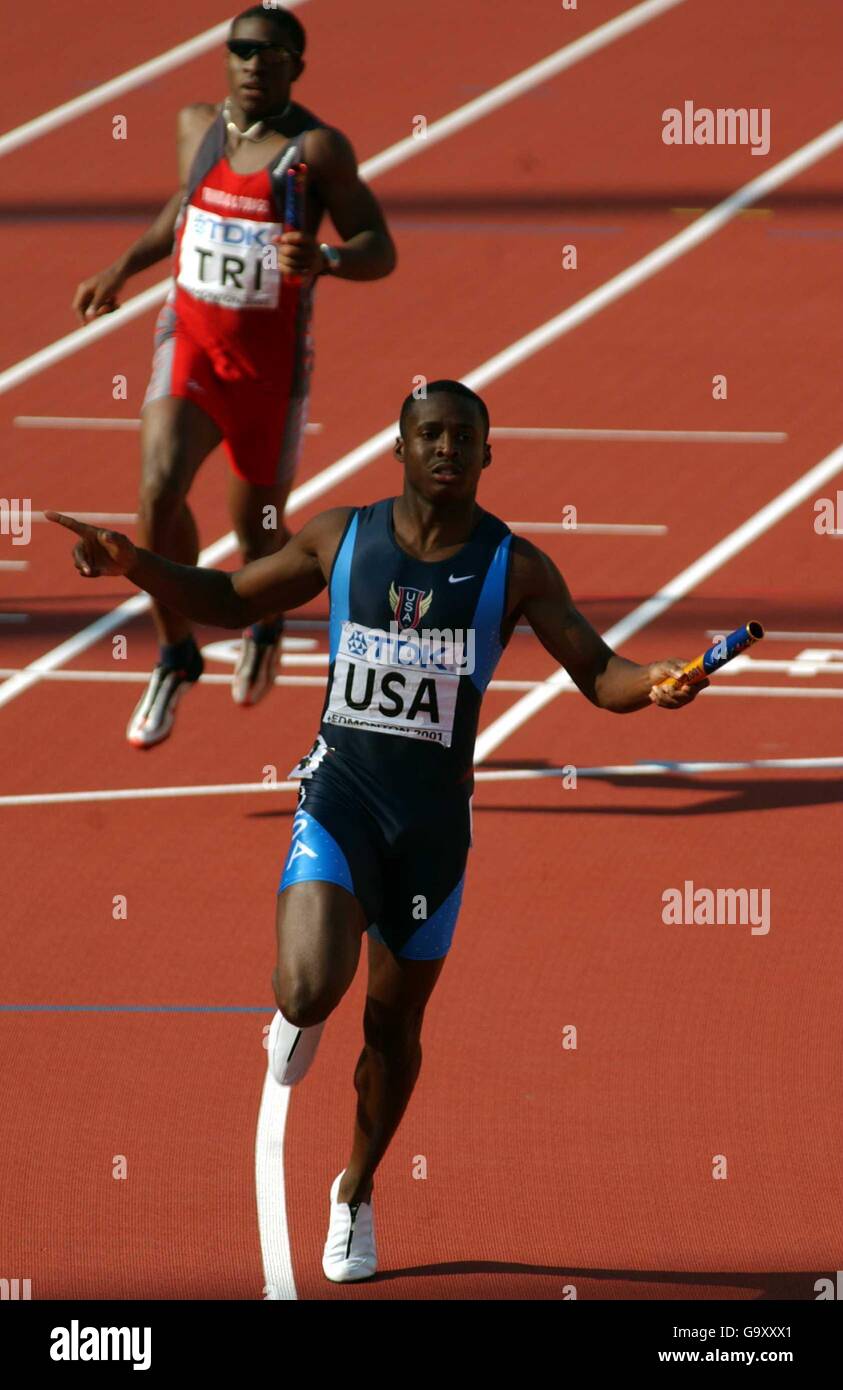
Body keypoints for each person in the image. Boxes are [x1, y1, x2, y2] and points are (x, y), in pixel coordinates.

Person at [47, 380, 706, 1283]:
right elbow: (236, 598)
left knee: (391, 1036)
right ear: (398, 448)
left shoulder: (514, 568)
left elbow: (598, 674)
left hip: (431, 833)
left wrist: (659, 679)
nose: (446, 449)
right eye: (429, 434)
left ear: (486, 454)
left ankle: (354, 1191)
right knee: (309, 986)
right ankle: (300, 1013)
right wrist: (134, 563)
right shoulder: (338, 537)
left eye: (463, 437)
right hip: (339, 798)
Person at [72, 4, 396, 746]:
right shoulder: (197, 127)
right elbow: (182, 211)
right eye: (241, 49)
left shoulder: (317, 149)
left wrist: (328, 260)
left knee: (258, 538)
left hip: (267, 369)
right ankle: (176, 651)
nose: (253, 62)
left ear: (294, 66)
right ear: (225, 58)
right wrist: (121, 266)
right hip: (187, 342)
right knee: (156, 491)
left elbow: (379, 246)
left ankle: (264, 620)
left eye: (269, 51)